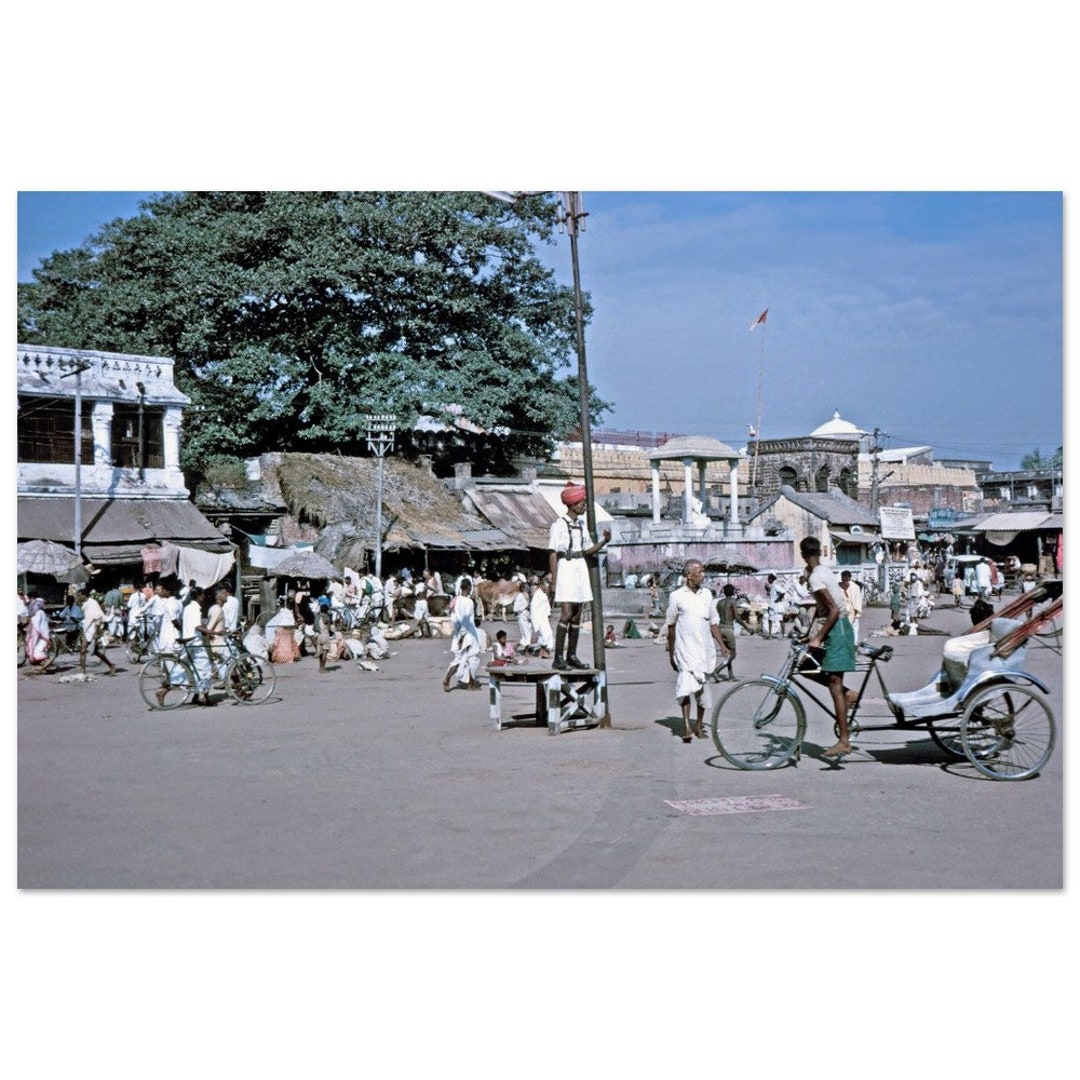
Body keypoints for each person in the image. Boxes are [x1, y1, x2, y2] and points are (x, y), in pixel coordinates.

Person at [799, 536, 856, 759]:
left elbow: (832, 610)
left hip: (838, 628)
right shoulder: (822, 572)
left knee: (834, 682)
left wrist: (818, 638)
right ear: (819, 552)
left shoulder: (816, 577)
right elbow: (822, 609)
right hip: (835, 627)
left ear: (804, 555)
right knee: (805, 668)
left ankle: (844, 741)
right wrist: (809, 635)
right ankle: (848, 695)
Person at [548, 481, 611, 671]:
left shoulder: (581, 526)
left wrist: (604, 542)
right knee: (566, 613)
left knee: (577, 616)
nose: (584, 506)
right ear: (573, 504)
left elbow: (587, 550)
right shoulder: (558, 525)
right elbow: (552, 553)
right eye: (582, 503)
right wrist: (554, 580)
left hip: (579, 567)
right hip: (566, 568)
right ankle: (558, 657)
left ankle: (571, 655)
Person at [665, 559, 729, 742]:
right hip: (685, 649)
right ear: (688, 575)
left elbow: (713, 623)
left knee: (702, 689)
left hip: (704, 650)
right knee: (685, 687)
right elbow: (671, 625)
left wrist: (722, 646)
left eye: (703, 571)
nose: (703, 575)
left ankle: (699, 725)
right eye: (700, 572)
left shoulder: (707, 595)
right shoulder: (676, 596)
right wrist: (671, 653)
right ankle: (686, 726)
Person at [443, 578, 482, 690]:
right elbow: (465, 620)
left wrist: (458, 633)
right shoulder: (469, 602)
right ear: (469, 587)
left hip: (459, 633)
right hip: (468, 634)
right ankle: (470, 684)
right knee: (473, 658)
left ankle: (447, 679)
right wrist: (463, 636)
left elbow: (454, 618)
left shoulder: (456, 600)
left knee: (459, 659)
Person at [181, 586, 214, 705]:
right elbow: (197, 626)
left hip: (188, 640)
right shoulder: (195, 608)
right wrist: (213, 632)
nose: (204, 597)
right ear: (199, 596)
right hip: (195, 643)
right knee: (205, 669)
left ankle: (196, 695)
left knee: (196, 670)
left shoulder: (187, 607)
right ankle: (204, 697)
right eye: (202, 595)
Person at [77, 588, 118, 676]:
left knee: (85, 650)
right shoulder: (86, 604)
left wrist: (96, 633)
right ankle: (83, 671)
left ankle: (83, 671)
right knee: (88, 650)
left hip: (92, 629)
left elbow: (98, 618)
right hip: (87, 629)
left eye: (80, 595)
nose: (79, 597)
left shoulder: (92, 603)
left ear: (84, 595)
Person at [714, 583, 739, 681]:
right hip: (728, 629)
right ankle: (717, 670)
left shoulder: (719, 602)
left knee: (728, 653)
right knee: (733, 654)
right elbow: (737, 617)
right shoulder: (733, 601)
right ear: (732, 592)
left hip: (720, 627)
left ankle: (731, 676)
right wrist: (748, 628)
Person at [529, 575, 554, 660]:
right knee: (546, 634)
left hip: (544, 618)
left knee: (547, 634)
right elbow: (533, 607)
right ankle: (544, 652)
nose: (547, 588)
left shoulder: (543, 594)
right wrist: (535, 621)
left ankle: (543, 652)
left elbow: (546, 606)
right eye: (546, 586)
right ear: (542, 585)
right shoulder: (538, 595)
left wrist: (548, 613)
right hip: (539, 619)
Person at [24, 594, 52, 669]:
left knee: (34, 651)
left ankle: (45, 662)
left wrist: (31, 638)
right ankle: (41, 667)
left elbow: (35, 629)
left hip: (39, 637)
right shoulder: (41, 612)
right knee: (35, 652)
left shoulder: (37, 613)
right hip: (42, 635)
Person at [839, 570, 864, 642]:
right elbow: (857, 601)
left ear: (842, 577)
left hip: (843, 610)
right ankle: (854, 644)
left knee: (844, 628)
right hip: (853, 609)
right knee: (854, 629)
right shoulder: (855, 587)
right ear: (850, 577)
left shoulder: (839, 586)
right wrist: (856, 613)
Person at [763, 574, 786, 639]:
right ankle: (770, 635)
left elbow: (783, 592)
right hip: (772, 605)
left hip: (777, 606)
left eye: (768, 579)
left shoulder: (776, 585)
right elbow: (771, 594)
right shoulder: (772, 586)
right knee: (770, 620)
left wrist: (779, 599)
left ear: (771, 579)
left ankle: (783, 634)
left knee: (780, 620)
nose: (768, 580)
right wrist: (767, 590)